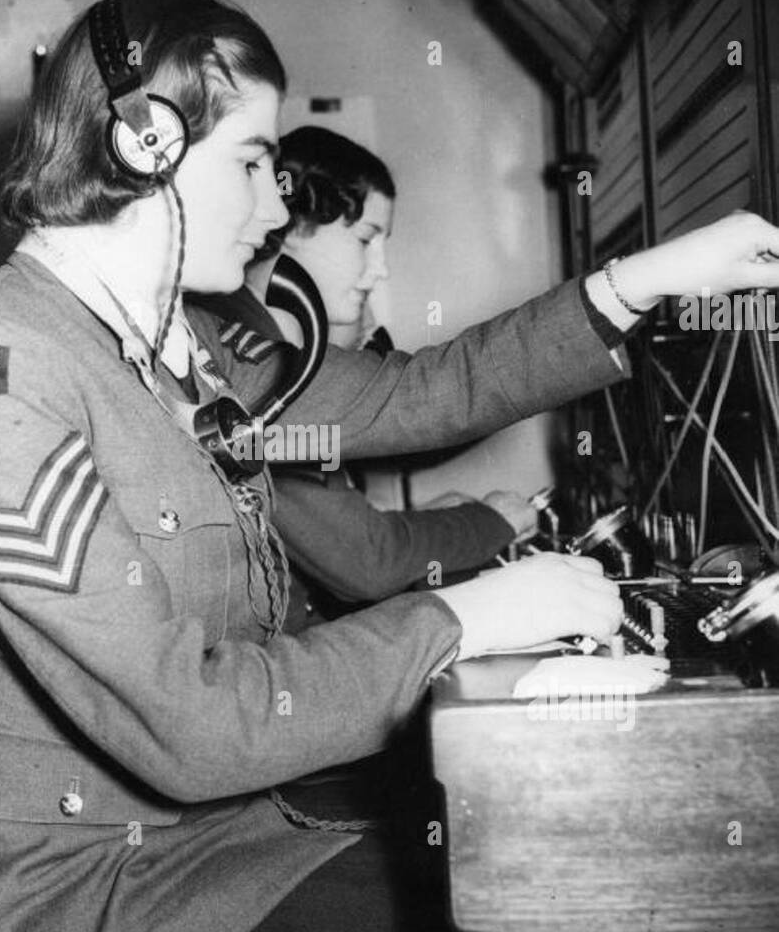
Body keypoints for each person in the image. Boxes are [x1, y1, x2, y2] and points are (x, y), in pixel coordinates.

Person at [0, 0, 779, 932]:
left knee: (638, 910)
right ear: (144, 144)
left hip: (226, 843)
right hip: (68, 929)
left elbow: (421, 393)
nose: (274, 210)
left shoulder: (190, 346)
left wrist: (640, 281)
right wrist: (464, 615)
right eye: (253, 163)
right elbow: (192, 723)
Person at [196, 125, 537, 632]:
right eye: (365, 240)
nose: (379, 270)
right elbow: (366, 562)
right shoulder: (257, 369)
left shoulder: (270, 344)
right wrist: (494, 521)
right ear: (288, 229)